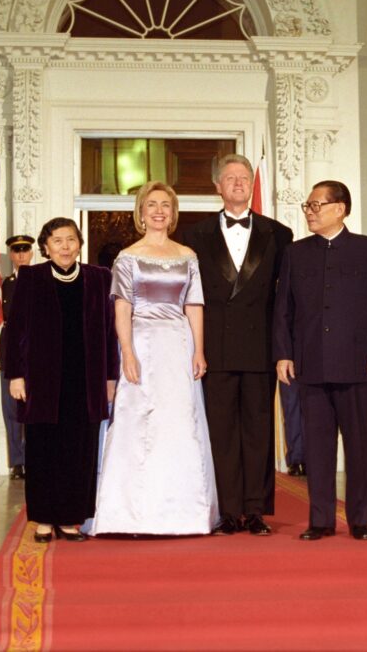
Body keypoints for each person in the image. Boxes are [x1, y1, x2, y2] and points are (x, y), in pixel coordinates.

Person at [88, 181, 220, 536]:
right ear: (141, 213)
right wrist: (127, 351)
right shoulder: (127, 257)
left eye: (165, 204)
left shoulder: (188, 256)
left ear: (173, 213)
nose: (159, 210)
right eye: (152, 205)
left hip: (177, 344)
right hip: (142, 343)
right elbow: (122, 308)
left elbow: (194, 305)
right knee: (137, 423)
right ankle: (129, 513)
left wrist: (199, 349)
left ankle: (184, 512)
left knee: (179, 422)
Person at [274, 181, 367, 541]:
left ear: (340, 208)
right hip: (310, 365)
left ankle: (360, 520)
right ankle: (321, 520)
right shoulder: (296, 253)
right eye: (307, 206)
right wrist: (283, 353)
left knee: (358, 446)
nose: (310, 212)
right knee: (317, 448)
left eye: (317, 205)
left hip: (358, 364)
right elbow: (284, 310)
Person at [184, 153, 293, 535]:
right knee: (222, 431)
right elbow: (190, 297)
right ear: (217, 186)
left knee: (259, 429)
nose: (238, 183)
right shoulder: (193, 235)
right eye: (230, 178)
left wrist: (285, 349)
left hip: (261, 347)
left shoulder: (279, 234)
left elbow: (285, 300)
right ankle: (228, 510)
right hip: (216, 347)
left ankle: (257, 509)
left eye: (244, 177)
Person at [5, 218, 118, 542]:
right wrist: (15, 374)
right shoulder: (31, 277)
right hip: (43, 381)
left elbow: (109, 333)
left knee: (78, 451)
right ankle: (43, 519)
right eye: (57, 241)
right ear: (46, 247)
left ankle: (71, 519)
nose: (65, 247)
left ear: (79, 244)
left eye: (71, 240)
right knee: (43, 450)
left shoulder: (99, 278)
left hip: (85, 381)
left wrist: (110, 378)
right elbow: (16, 331)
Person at [0, 234, 35, 480]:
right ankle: (17, 461)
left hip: (37, 350)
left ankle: (35, 458)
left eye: (25, 250)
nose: (21, 255)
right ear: (11, 255)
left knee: (36, 408)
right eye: (17, 251)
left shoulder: (42, 281)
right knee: (12, 410)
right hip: (11, 350)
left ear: (32, 252)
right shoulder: (3, 285)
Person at [280, 381, 306, 476]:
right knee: (290, 410)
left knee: (310, 411)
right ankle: (295, 460)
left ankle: (308, 459)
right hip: (288, 370)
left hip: (311, 370)